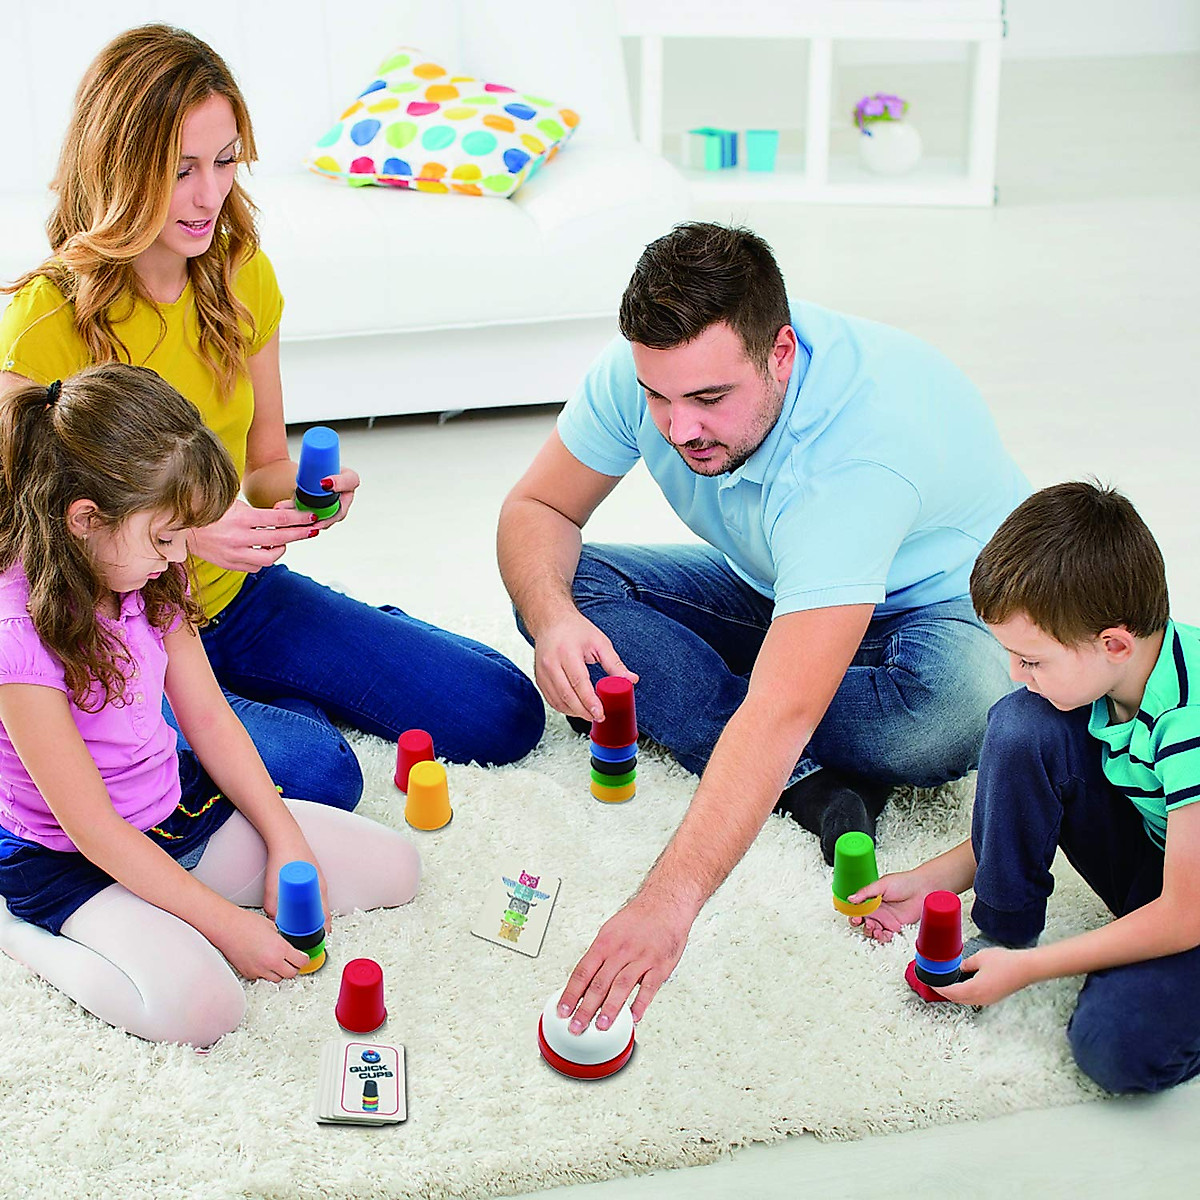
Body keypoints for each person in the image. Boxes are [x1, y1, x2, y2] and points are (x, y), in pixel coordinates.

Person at [497, 222, 1027, 1034]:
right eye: (658, 398)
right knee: (559, 594)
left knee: (953, 714)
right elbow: (538, 507)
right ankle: (810, 779)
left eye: (710, 400)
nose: (679, 427)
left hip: (934, 613)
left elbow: (779, 713)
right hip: (782, 589)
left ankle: (758, 721)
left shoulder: (856, 455)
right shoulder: (649, 371)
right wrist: (554, 617)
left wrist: (664, 906)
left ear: (781, 353)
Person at [0, 24, 544, 813]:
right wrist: (188, 534)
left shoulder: (241, 275)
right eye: (180, 170)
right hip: (120, 631)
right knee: (324, 775)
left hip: (239, 598)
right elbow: (24, 547)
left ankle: (278, 683)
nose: (209, 195)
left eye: (225, 162)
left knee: (504, 712)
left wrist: (305, 491)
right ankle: (233, 712)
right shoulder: (40, 324)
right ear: (118, 166)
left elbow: (261, 466)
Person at [0, 365, 421, 1046]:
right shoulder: (17, 640)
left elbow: (210, 720)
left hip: (170, 810)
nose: (177, 558)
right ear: (85, 520)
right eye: (165, 538)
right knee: (205, 1011)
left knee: (396, 869)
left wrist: (286, 840)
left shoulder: (149, 573)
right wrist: (226, 926)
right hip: (69, 857)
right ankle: (21, 934)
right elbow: (93, 828)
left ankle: (171, 903)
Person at [848, 482, 1200, 1094]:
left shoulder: (1187, 726)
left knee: (1116, 1048)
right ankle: (1004, 929)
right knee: (1022, 722)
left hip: (1188, 903)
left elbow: (1185, 915)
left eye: (1032, 660)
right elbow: (1037, 797)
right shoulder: (1114, 675)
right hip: (1166, 856)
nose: (1015, 673)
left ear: (1114, 643)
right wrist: (930, 882)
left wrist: (1031, 969)